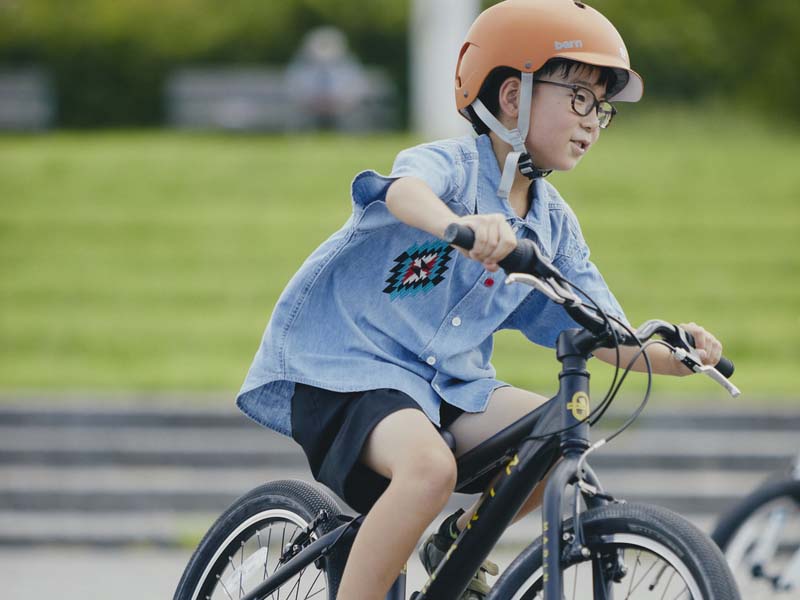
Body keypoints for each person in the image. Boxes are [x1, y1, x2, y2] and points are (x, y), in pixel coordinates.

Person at [236, 1, 724, 599]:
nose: (594, 120)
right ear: (513, 98)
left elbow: (602, 324)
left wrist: (672, 353)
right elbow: (403, 191)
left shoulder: (553, 226)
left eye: (602, 108)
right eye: (578, 98)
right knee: (429, 469)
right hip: (349, 372)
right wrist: (457, 228)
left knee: (558, 434)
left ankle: (457, 543)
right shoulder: (451, 166)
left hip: (448, 386)